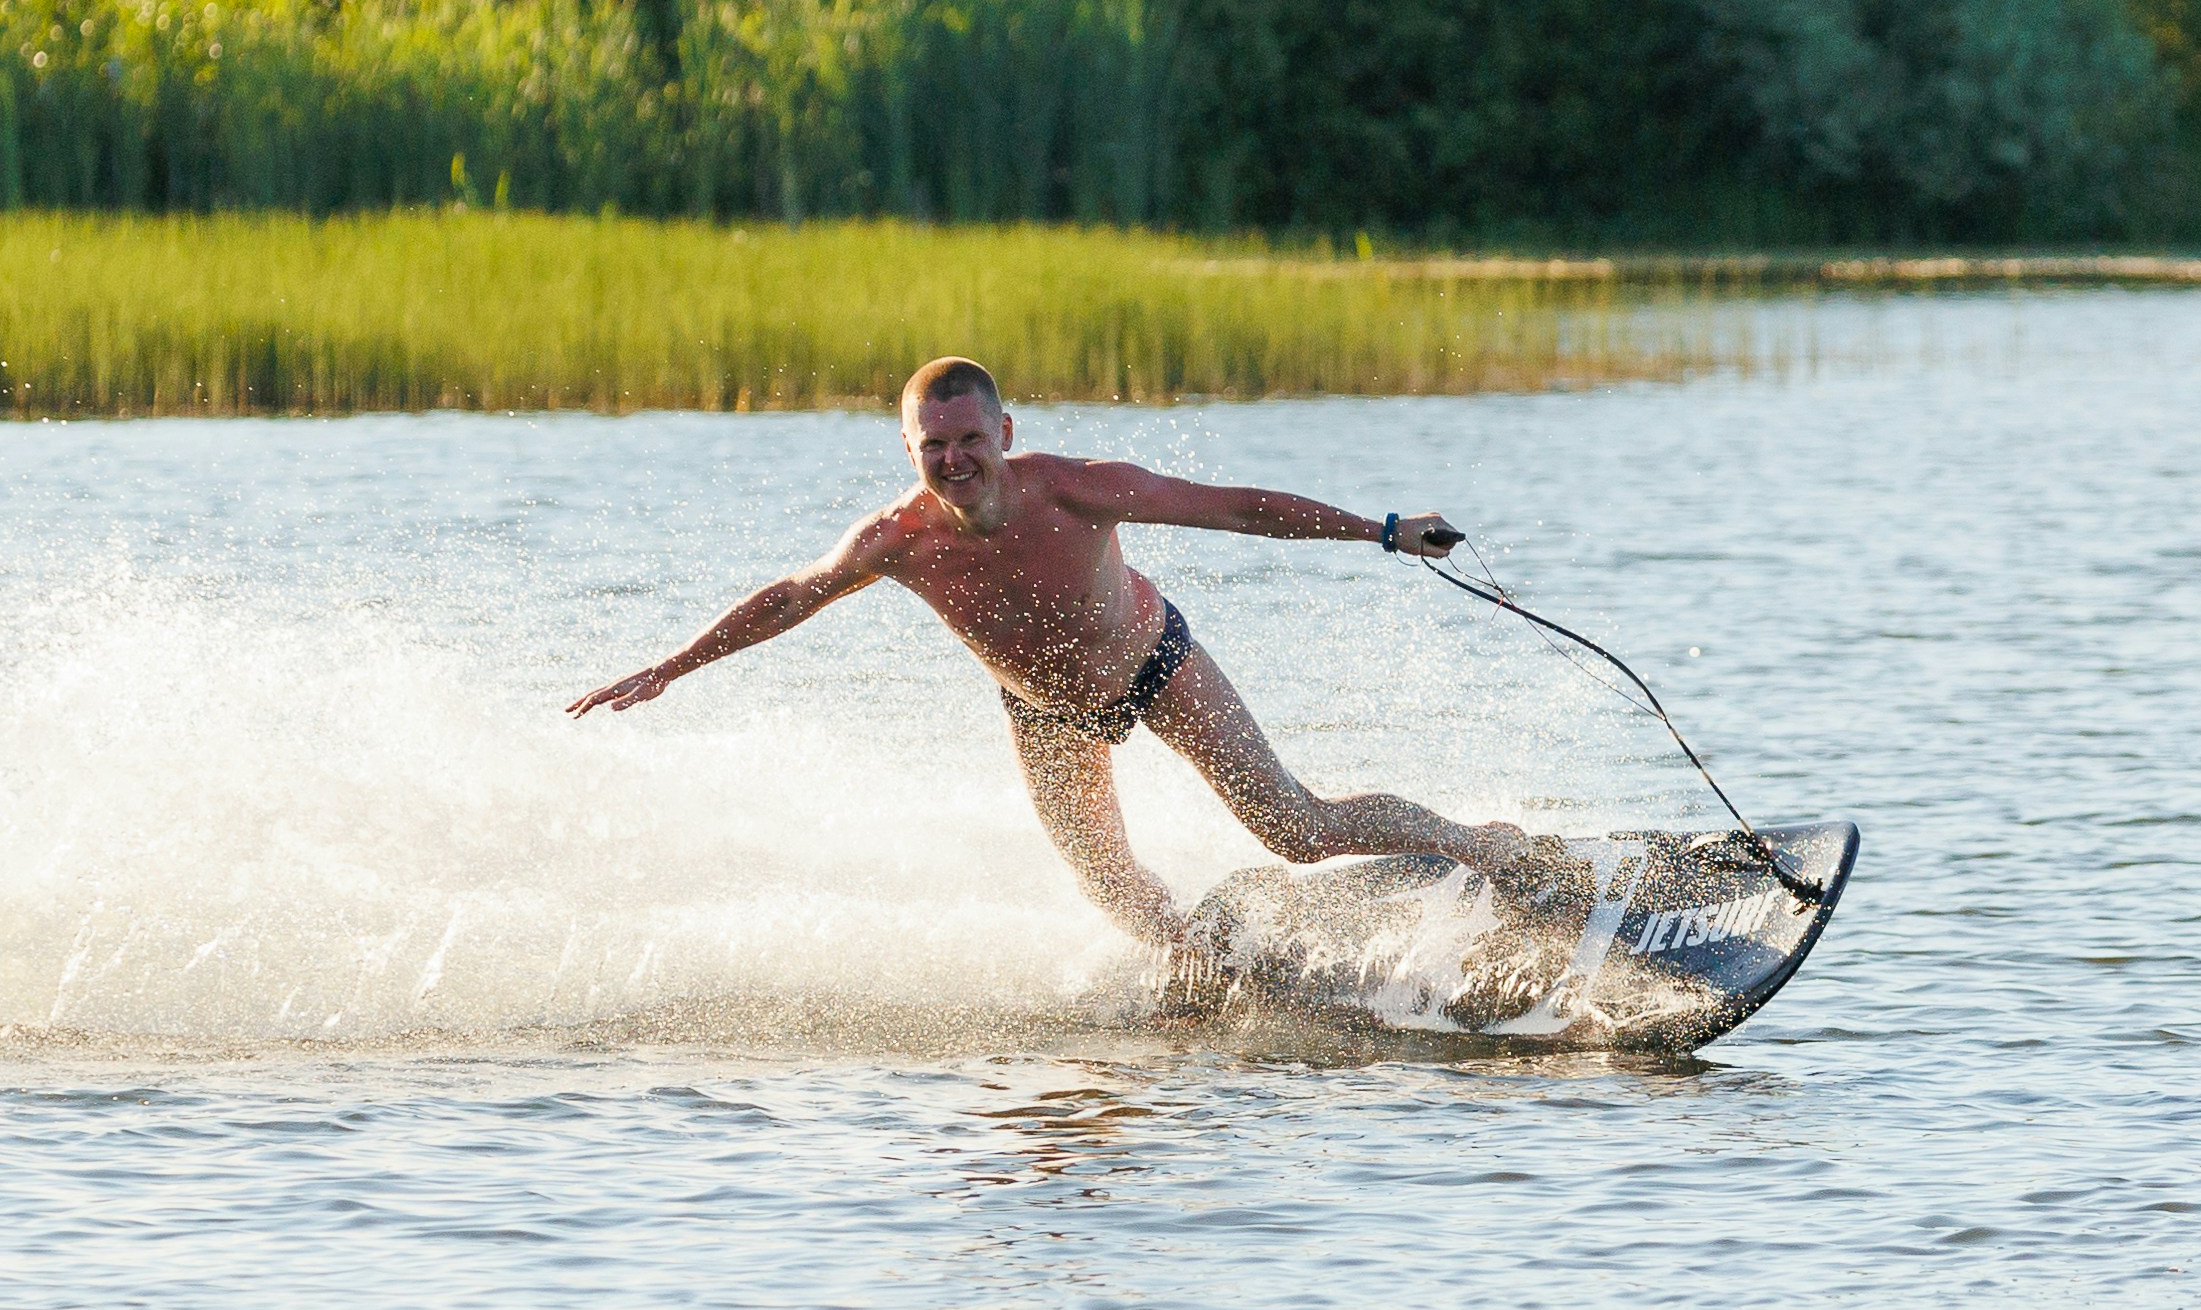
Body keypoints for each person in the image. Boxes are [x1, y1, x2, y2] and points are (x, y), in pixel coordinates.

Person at [568, 356, 1529, 948]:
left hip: (1155, 665)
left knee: (1293, 827)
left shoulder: (1077, 488)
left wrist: (1384, 529)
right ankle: (1202, 964)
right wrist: (675, 665)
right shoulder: (896, 540)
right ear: (908, 447)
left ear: (1003, 433)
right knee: (1109, 881)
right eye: (931, 444)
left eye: (969, 438)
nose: (954, 460)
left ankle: (1486, 848)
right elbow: (790, 596)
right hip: (1040, 710)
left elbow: (1235, 508)